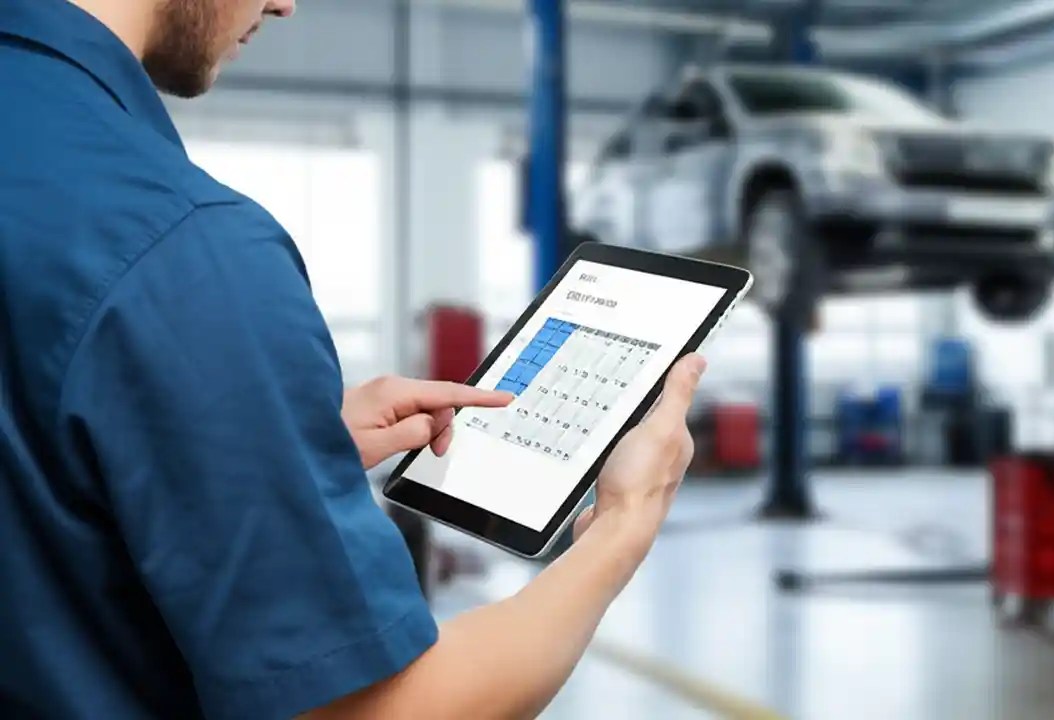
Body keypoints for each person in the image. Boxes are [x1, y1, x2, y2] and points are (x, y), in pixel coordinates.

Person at [0, 1, 706, 718]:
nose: (284, 3)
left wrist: (257, 443)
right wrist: (623, 523)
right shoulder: (186, 246)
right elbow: (380, 712)